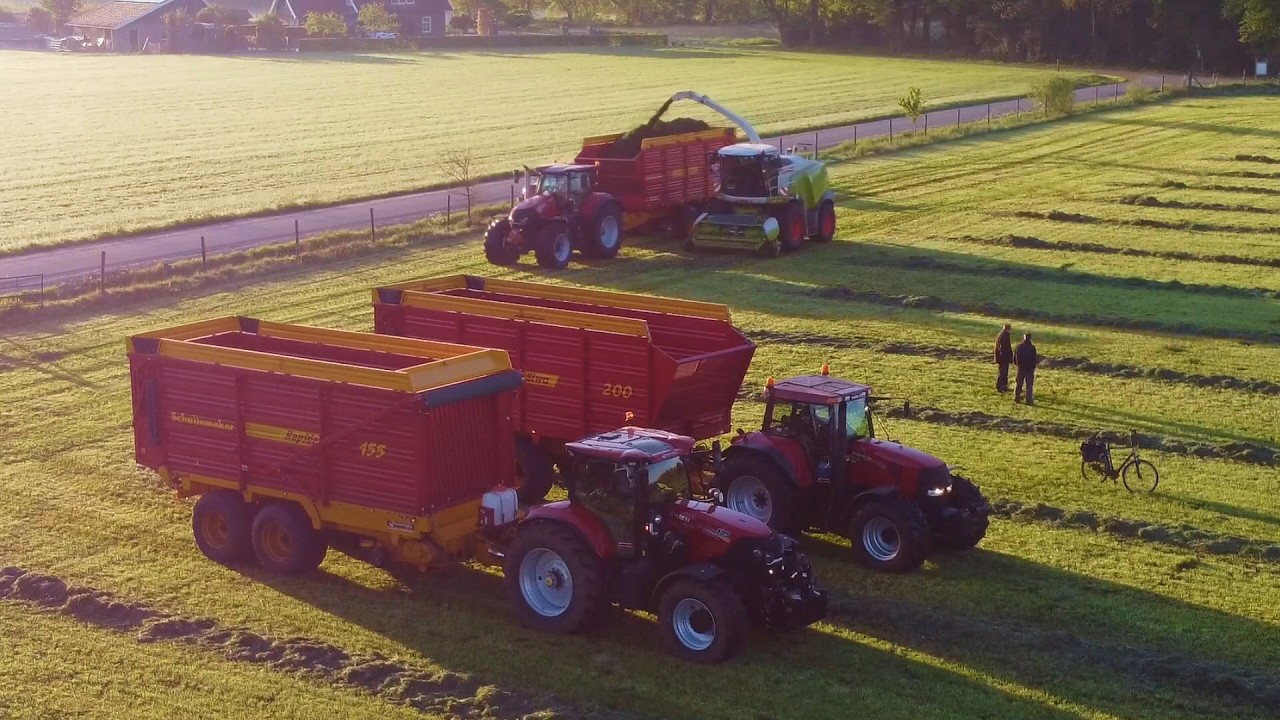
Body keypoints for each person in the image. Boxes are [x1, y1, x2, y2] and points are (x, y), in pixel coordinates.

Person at [1014, 333, 1039, 405]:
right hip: (1029, 369)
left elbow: (1015, 357)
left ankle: (1017, 398)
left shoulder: (1019, 346)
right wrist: (1033, 367)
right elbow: (1034, 359)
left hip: (1020, 368)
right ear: (1030, 338)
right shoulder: (1032, 347)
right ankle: (1029, 400)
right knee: (1029, 385)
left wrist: (1017, 365)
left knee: (1019, 384)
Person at [994, 323, 1013, 393]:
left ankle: (1004, 386)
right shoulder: (1004, 336)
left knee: (1004, 372)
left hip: (1002, 357)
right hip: (1003, 358)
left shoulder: (1002, 334)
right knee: (1003, 372)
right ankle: (999, 386)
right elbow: (1004, 348)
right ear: (1008, 329)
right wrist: (1008, 357)